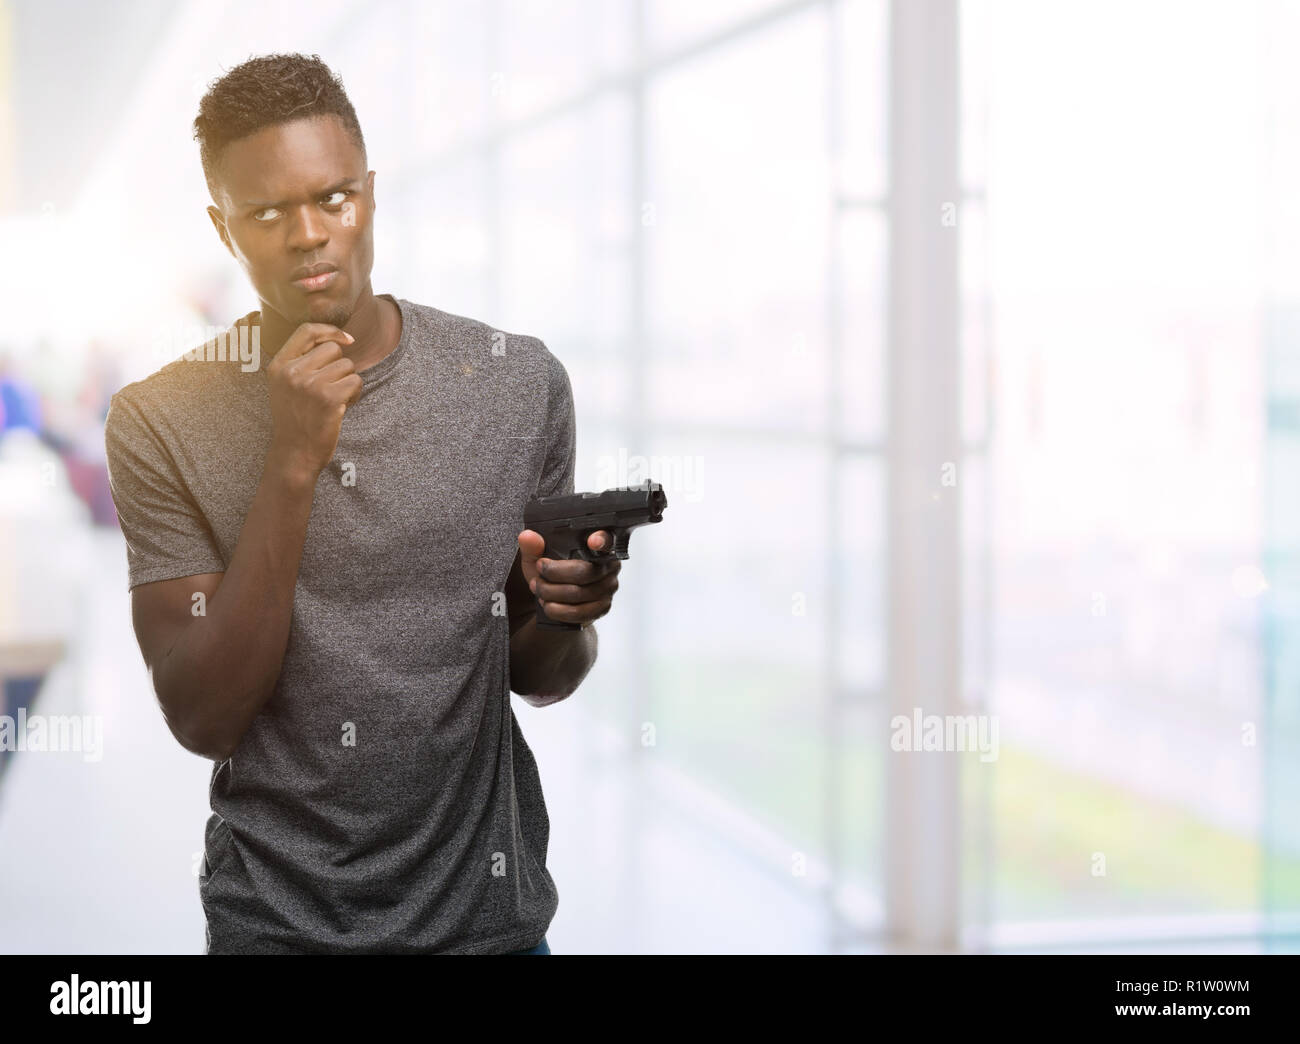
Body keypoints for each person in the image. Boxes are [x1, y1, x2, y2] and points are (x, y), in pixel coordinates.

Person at [103, 53, 624, 955]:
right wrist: (292, 462)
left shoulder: (517, 386)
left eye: (334, 197)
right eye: (268, 213)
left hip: (489, 928)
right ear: (224, 230)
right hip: (276, 928)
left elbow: (539, 674)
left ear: (371, 195)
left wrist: (567, 613)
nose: (310, 233)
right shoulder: (158, 419)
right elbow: (203, 717)